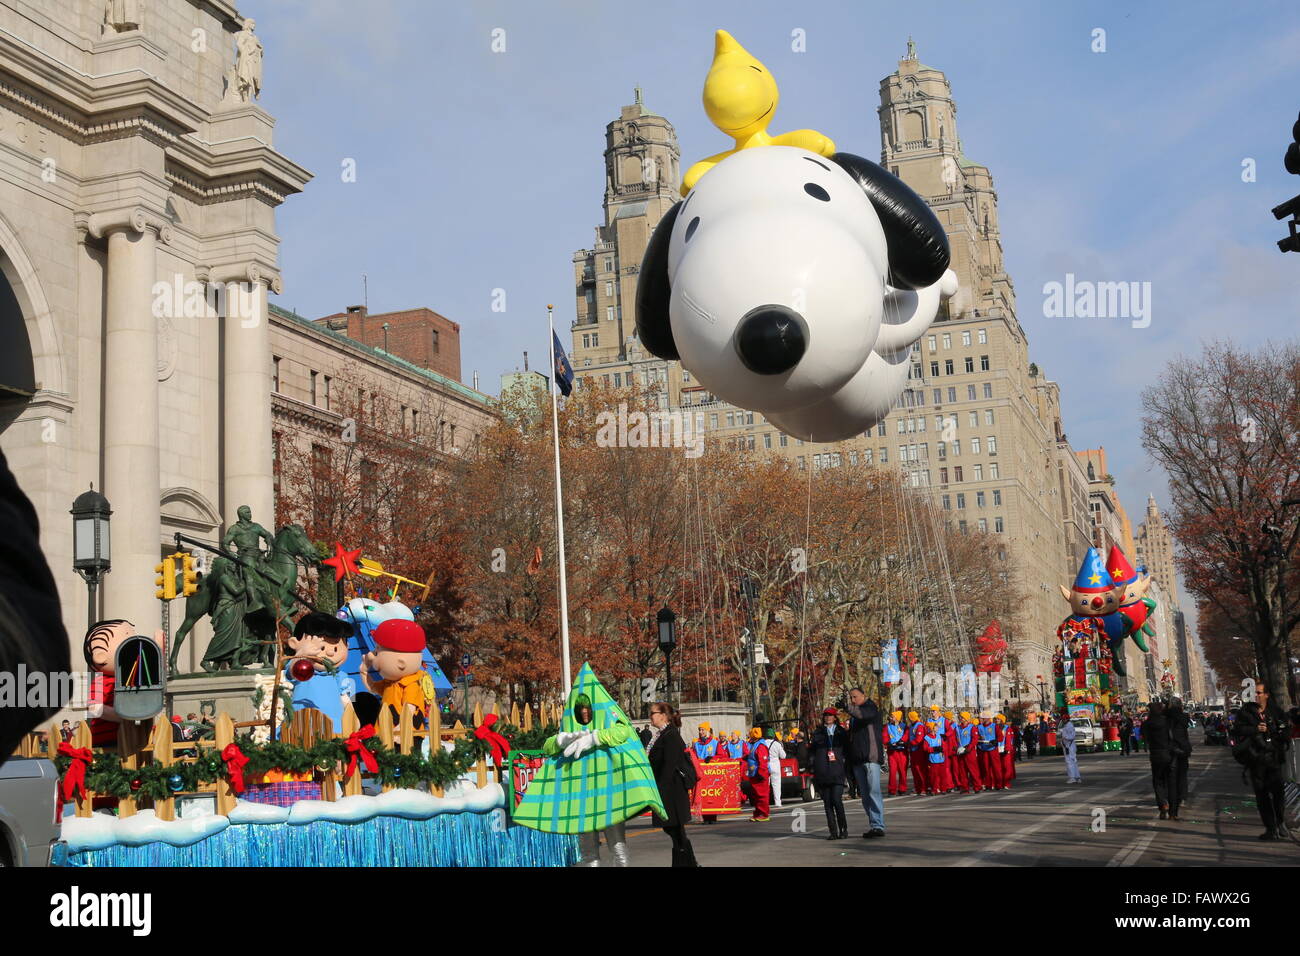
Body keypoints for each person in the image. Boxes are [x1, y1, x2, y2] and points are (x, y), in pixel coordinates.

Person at [513, 663, 664, 865]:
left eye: (588, 707)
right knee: (588, 851)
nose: (585, 712)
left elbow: (624, 731)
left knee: (617, 846)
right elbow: (548, 747)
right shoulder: (571, 728)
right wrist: (561, 740)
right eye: (581, 708)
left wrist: (595, 737)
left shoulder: (608, 724)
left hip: (608, 794)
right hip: (581, 797)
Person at [645, 701, 699, 867]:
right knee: (674, 831)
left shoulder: (671, 735)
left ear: (662, 716)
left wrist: (659, 791)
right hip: (667, 790)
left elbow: (668, 766)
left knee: (675, 830)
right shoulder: (662, 734)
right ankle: (689, 863)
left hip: (672, 791)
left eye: (653, 713)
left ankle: (685, 863)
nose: (650, 716)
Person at [1232, 700, 1292, 841]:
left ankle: (1280, 821)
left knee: (1278, 794)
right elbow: (1237, 730)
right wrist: (1255, 729)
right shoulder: (1245, 712)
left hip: (1274, 759)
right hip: (1256, 760)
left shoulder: (1275, 711)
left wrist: (1272, 730)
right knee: (1262, 796)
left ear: (1266, 695)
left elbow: (1285, 731)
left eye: (1260, 693)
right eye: (1255, 693)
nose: (1256, 696)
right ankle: (1271, 829)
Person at [845, 688, 885, 838]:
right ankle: (874, 824)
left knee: (873, 792)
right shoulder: (855, 715)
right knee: (865, 796)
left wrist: (847, 707)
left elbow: (862, 715)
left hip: (870, 757)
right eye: (851, 697)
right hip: (858, 759)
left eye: (855, 697)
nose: (853, 700)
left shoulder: (870, 708)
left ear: (864, 695)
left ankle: (878, 825)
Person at [810, 707, 849, 839]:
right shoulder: (818, 732)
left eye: (830, 715)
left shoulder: (841, 732)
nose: (828, 718)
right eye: (826, 715)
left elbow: (847, 749)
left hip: (837, 770)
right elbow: (812, 751)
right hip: (823, 771)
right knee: (827, 803)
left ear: (835, 717)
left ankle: (843, 829)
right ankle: (833, 831)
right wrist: (812, 766)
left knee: (837, 800)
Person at [1144, 700, 1173, 819]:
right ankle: (1170, 803)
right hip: (1167, 753)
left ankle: (1162, 805)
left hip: (1155, 755)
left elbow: (1145, 740)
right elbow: (1172, 736)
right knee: (1168, 780)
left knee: (1157, 781)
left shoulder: (1147, 723)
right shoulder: (1166, 722)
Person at [1167, 699, 1193, 821]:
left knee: (1172, 782)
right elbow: (1185, 734)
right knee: (1182, 777)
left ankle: (1173, 811)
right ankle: (1181, 799)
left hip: (1172, 751)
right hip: (1184, 750)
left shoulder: (1168, 718)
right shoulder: (1184, 718)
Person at [741, 727, 771, 822]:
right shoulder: (755, 744)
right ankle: (758, 813)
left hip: (759, 774)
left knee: (762, 795)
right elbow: (751, 756)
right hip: (754, 773)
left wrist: (761, 773)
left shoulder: (760, 746)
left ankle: (764, 814)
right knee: (756, 796)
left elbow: (763, 760)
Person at [953, 711, 981, 792]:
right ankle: (965, 787)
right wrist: (956, 747)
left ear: (966, 718)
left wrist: (968, 748)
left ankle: (977, 786)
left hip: (969, 752)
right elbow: (955, 739)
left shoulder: (972, 727)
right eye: (960, 717)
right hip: (961, 751)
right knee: (962, 771)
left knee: (973, 770)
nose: (960, 719)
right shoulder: (958, 728)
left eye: (962, 717)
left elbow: (974, 739)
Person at [976, 712, 1003, 790]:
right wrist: (979, 738)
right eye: (980, 718)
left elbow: (1000, 737)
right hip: (984, 749)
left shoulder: (994, 726)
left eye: (982, 718)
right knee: (986, 768)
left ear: (987, 718)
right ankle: (988, 785)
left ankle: (999, 785)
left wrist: (995, 741)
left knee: (996, 768)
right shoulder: (979, 727)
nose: (981, 719)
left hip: (993, 749)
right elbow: (976, 736)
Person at [885, 710, 909, 796]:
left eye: (892, 717)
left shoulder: (904, 726)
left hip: (902, 752)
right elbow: (884, 736)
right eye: (891, 716)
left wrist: (902, 741)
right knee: (892, 771)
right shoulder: (887, 726)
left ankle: (902, 789)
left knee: (902, 771)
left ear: (897, 718)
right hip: (892, 752)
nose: (890, 718)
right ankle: (892, 790)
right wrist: (888, 743)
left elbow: (907, 735)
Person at [906, 710, 929, 795]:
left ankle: (924, 788)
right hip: (913, 750)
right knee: (915, 770)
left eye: (909, 718)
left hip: (919, 750)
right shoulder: (912, 726)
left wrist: (909, 743)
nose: (909, 719)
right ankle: (917, 787)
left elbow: (919, 739)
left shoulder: (919, 726)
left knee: (920, 770)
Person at [767, 727, 787, 807]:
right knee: (776, 785)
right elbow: (783, 756)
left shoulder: (763, 743)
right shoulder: (777, 744)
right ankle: (778, 803)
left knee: (766, 785)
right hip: (775, 765)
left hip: (766, 765)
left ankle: (765, 802)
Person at [1059, 711, 1082, 783]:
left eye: (1063, 719)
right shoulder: (1067, 726)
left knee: (1070, 762)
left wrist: (1064, 737)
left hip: (1069, 746)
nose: (1062, 721)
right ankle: (1077, 777)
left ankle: (1072, 777)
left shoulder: (1069, 726)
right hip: (1068, 746)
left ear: (1066, 719)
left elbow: (1071, 736)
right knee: (1073, 761)